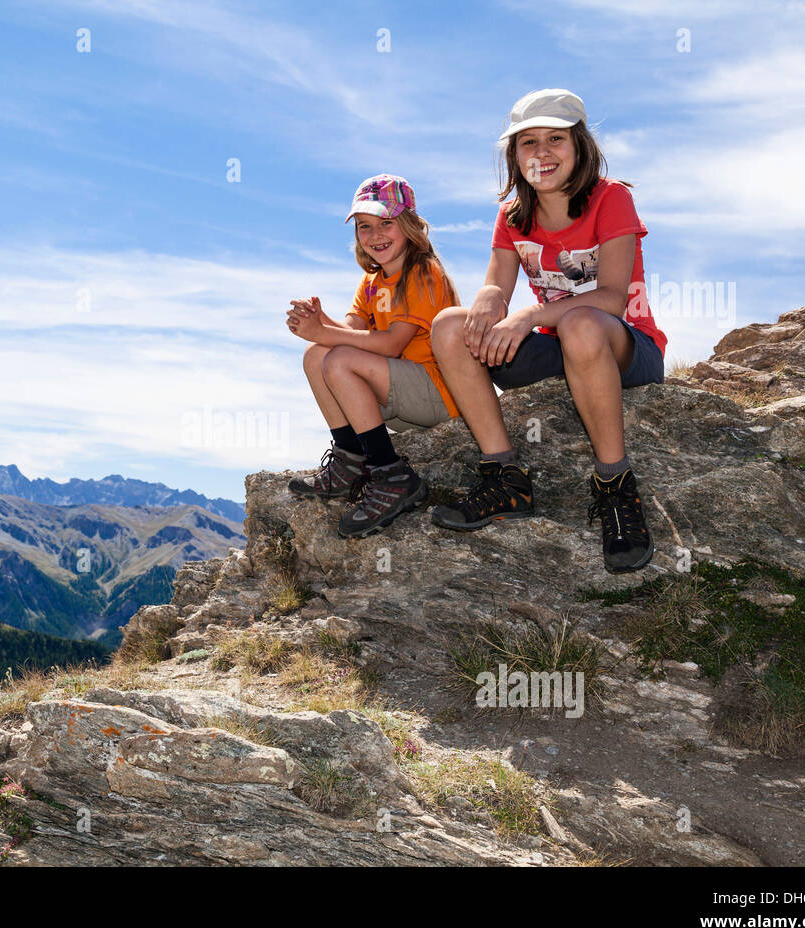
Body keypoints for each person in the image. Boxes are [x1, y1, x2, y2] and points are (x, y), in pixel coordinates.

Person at [428, 89, 667, 573]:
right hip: (561, 350)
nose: (542, 153)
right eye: (527, 142)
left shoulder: (611, 198)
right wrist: (490, 300)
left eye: (555, 139)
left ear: (579, 145)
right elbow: (497, 281)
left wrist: (529, 317)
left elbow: (613, 298)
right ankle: (505, 478)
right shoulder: (512, 216)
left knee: (581, 321)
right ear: (514, 156)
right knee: (450, 325)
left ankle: (615, 487)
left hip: (624, 348)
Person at [286, 174, 461, 538]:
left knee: (336, 357)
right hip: (399, 392)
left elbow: (392, 344)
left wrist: (325, 332)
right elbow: (350, 335)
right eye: (365, 226)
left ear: (411, 225)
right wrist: (322, 324)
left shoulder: (423, 272)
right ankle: (349, 460)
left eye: (386, 223)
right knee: (316, 355)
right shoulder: (372, 282)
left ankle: (392, 474)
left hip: (436, 394)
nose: (375, 235)